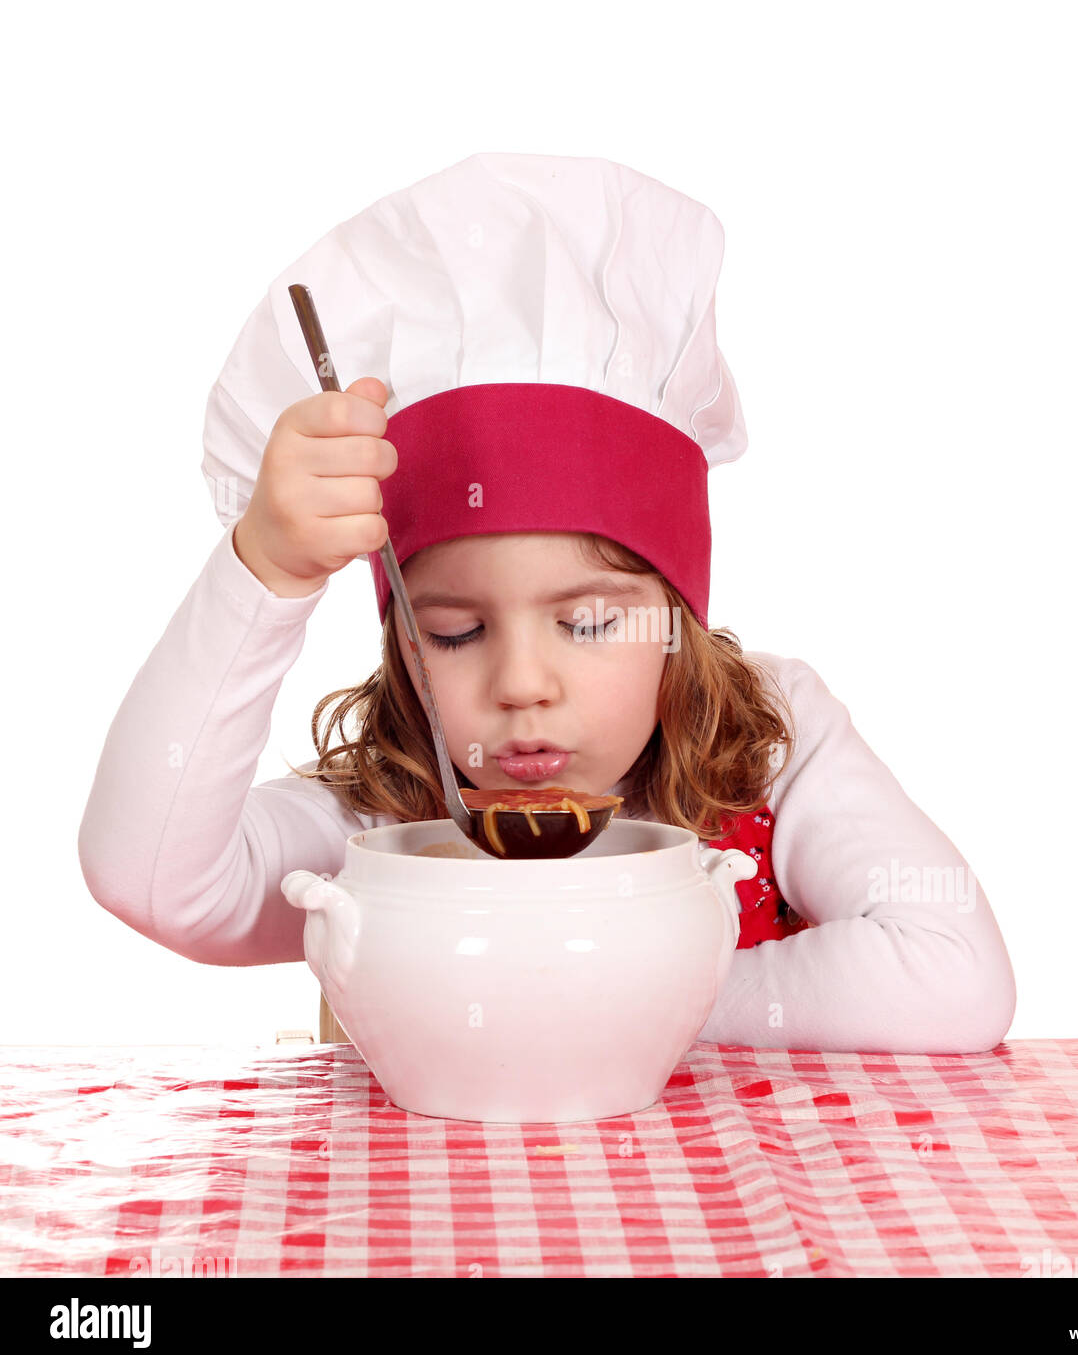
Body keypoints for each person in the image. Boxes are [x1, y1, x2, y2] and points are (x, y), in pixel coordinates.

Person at [77, 151, 1015, 1054]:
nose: (521, 684)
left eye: (590, 623)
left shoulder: (776, 742)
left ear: (675, 619)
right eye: (454, 631)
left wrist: (626, 999)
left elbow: (955, 971)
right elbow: (152, 880)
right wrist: (265, 574)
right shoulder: (388, 812)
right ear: (402, 641)